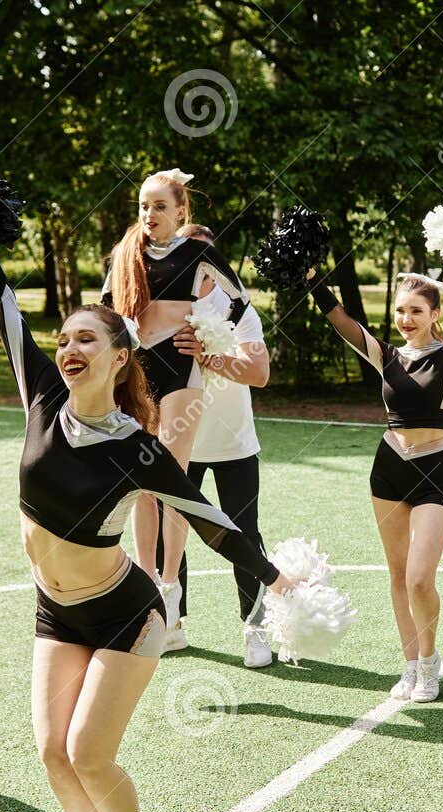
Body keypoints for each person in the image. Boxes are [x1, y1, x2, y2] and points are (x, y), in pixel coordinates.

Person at [0, 194, 294, 812]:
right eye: (64, 337)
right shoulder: (42, 397)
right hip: (56, 612)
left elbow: (211, 522)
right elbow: (1, 299)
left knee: (88, 750)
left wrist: (277, 581)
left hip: (123, 613)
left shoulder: (135, 447)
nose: (69, 348)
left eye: (88, 339)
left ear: (120, 359)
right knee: (51, 752)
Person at [305, 266, 443, 702]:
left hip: (432, 469)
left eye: (416, 311)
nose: (406, 318)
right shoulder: (386, 355)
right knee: (399, 575)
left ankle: (430, 660)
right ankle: (410, 664)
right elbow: (343, 323)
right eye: (400, 310)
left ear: (435, 313)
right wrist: (313, 282)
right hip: (387, 468)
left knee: (421, 578)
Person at [101, 170, 251, 628]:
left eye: (160, 206)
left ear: (181, 211)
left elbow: (239, 301)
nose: (149, 214)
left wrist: (205, 332)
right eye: (144, 206)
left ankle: (171, 584)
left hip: (181, 370)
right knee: (144, 482)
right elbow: (106, 310)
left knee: (173, 478)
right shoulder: (126, 254)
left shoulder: (199, 253)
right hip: (138, 371)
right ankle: (149, 583)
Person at [158, 223, 275, 668]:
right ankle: (171, 624)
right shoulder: (161, 305)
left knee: (244, 534)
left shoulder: (236, 305)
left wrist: (208, 356)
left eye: (202, 256)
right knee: (169, 531)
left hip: (232, 443)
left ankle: (255, 628)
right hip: (177, 440)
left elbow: (259, 374)